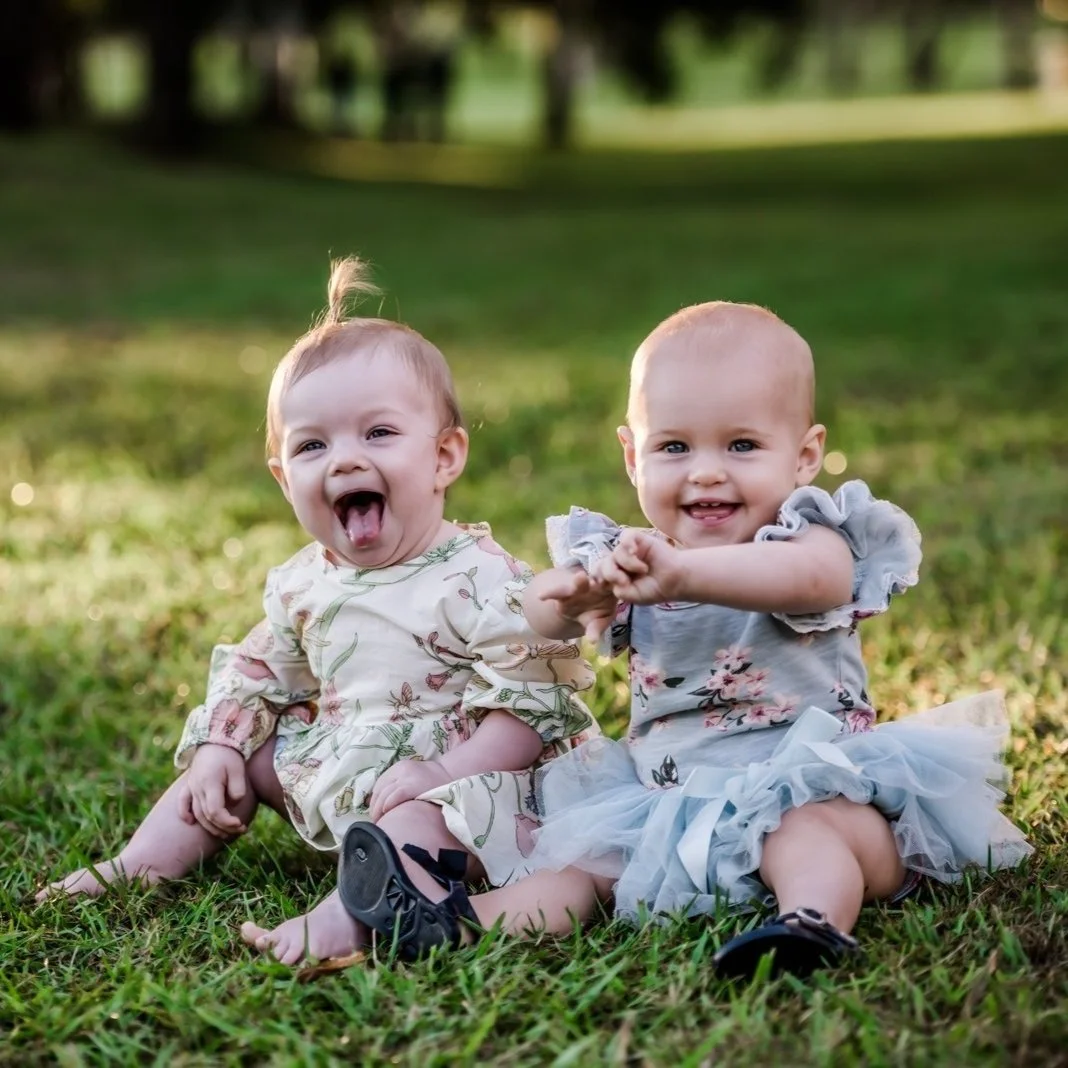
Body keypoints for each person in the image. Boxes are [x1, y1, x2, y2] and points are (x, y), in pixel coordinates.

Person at [332, 299, 1032, 978]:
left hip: (810, 787)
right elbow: (539, 618)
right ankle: (456, 924)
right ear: (632, 457)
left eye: (742, 445)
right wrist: (575, 594)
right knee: (582, 868)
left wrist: (682, 574)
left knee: (807, 833)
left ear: (806, 454)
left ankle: (809, 924)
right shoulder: (631, 558)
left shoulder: (807, 538)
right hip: (666, 809)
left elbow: (814, 581)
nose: (705, 470)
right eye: (674, 446)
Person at [36, 257, 597, 966]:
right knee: (242, 755)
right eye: (312, 445)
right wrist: (218, 748)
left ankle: (345, 920)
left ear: (445, 456)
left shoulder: (482, 579)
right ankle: (143, 860)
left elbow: (529, 705)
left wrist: (444, 774)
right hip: (350, 756)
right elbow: (256, 668)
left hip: (474, 785)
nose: (343, 460)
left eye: (378, 434)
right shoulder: (306, 583)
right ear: (283, 478)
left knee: (420, 822)